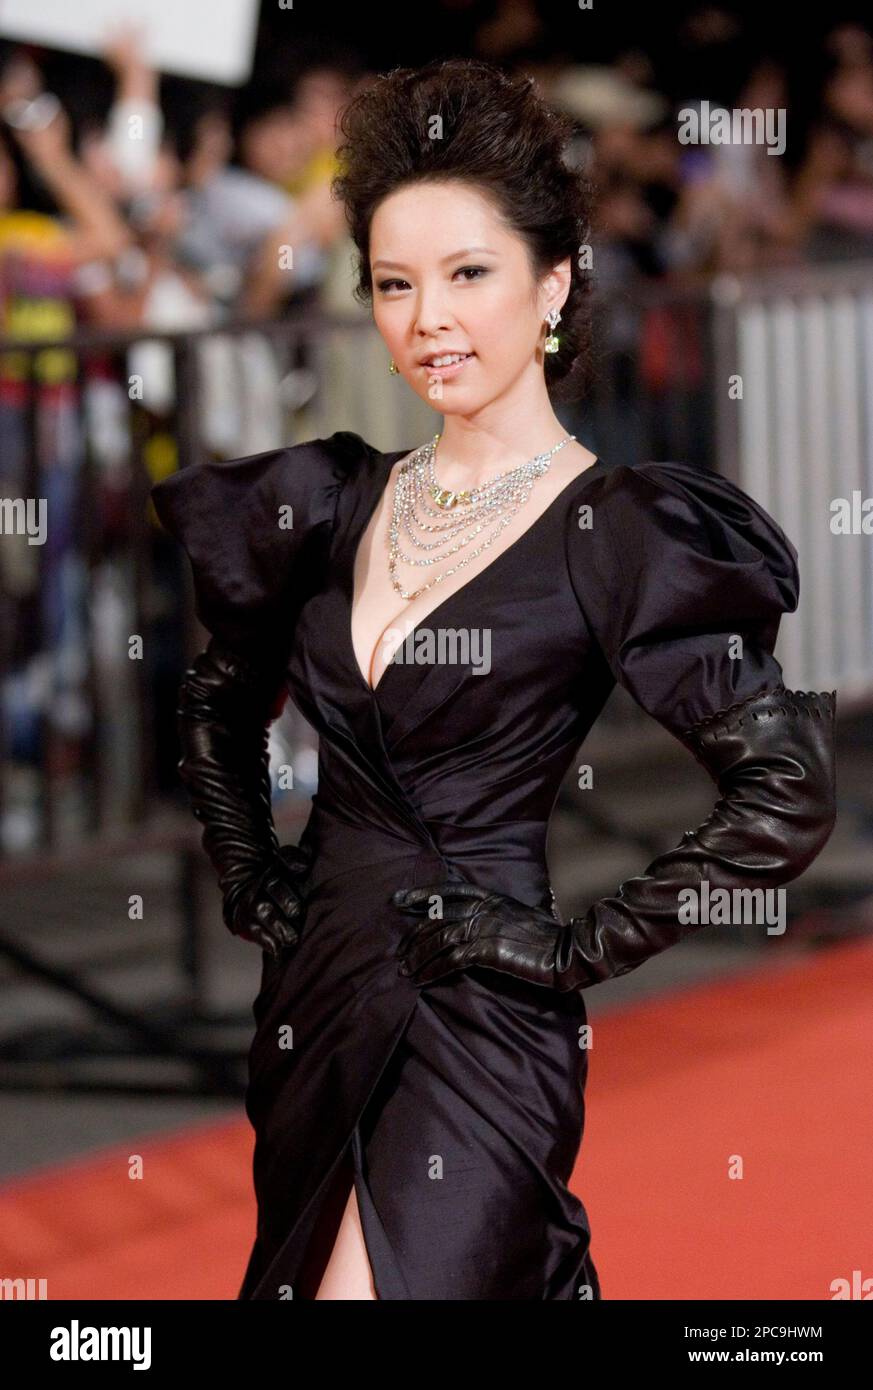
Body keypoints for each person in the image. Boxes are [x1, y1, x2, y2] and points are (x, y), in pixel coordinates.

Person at [150, 59, 837, 1301]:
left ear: (554, 281)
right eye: (395, 283)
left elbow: (783, 787)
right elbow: (215, 695)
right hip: (316, 1007)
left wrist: (576, 941)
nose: (429, 319)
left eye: (469, 274)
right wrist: (250, 872)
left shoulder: (616, 528)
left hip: (481, 1014)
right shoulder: (331, 501)